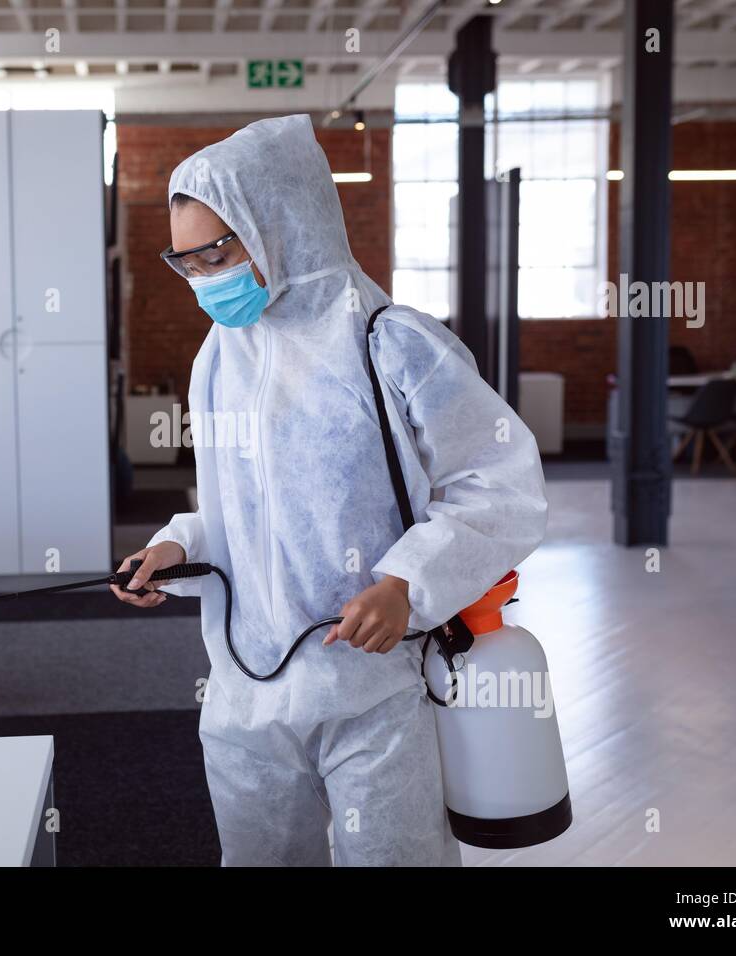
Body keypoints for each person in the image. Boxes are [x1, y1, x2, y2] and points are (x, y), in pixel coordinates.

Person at [111, 114, 547, 866]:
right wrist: (176, 547)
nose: (207, 276)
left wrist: (406, 584)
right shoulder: (220, 359)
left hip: (372, 692)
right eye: (187, 262)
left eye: (220, 249)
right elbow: (243, 511)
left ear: (280, 222)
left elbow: (499, 486)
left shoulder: (392, 343)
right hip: (246, 692)